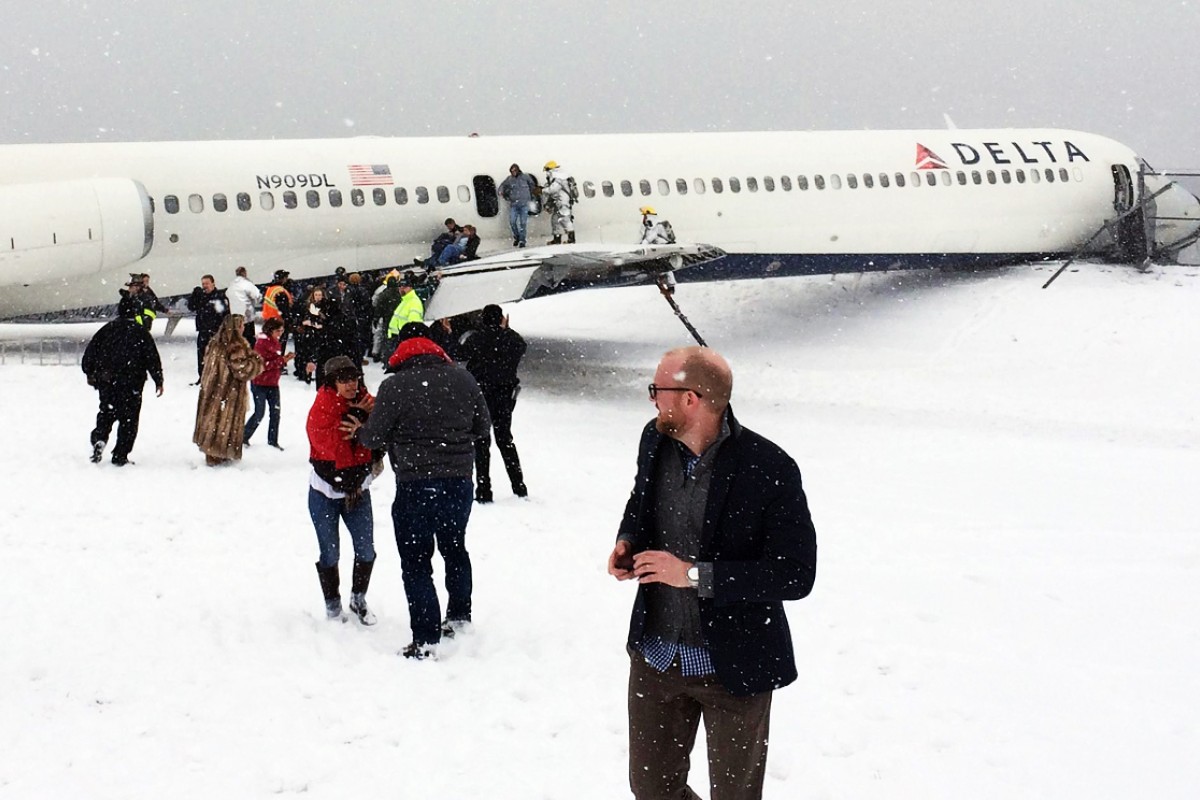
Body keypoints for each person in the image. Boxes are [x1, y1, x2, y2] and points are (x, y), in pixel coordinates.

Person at [606, 346, 818, 800]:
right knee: (651, 789)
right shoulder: (654, 440)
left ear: (691, 399)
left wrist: (696, 576)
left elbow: (796, 574)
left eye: (657, 390)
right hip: (657, 657)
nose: (652, 400)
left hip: (734, 666)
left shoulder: (769, 467)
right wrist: (628, 539)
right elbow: (640, 499)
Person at [359, 322, 492, 660]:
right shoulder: (463, 378)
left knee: (416, 563)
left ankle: (426, 637)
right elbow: (483, 426)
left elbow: (373, 438)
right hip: (459, 482)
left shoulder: (394, 386)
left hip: (415, 485)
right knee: (455, 549)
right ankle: (459, 616)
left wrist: (362, 428)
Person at [306, 355, 381, 625]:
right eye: (344, 380)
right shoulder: (322, 408)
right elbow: (331, 445)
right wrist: (358, 417)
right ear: (332, 382)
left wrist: (363, 424)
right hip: (324, 493)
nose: (351, 385)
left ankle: (358, 598)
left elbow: (377, 437)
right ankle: (333, 605)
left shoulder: (369, 402)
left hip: (358, 492)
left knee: (366, 550)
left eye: (354, 378)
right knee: (330, 552)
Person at [81, 300, 165, 466]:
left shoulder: (107, 330)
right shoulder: (141, 332)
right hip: (132, 383)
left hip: (107, 381)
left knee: (106, 412)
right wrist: (158, 379)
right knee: (129, 420)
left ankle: (99, 437)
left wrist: (90, 372)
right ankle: (120, 454)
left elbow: (90, 353)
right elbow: (151, 358)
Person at [459, 304, 528, 503]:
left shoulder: (476, 339)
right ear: (501, 319)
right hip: (504, 396)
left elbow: (459, 352)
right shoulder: (511, 340)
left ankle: (483, 488)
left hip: (480, 396)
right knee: (505, 440)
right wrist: (506, 329)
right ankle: (519, 485)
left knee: (481, 442)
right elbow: (521, 346)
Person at [193, 314, 265, 466]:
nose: (244, 327)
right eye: (242, 325)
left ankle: (211, 450)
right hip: (228, 393)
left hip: (212, 391)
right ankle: (220, 452)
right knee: (224, 423)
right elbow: (243, 370)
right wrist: (256, 362)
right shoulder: (235, 346)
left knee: (211, 420)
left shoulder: (214, 343)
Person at [243, 318, 295, 450]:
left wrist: (282, 360)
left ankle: (273, 441)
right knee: (259, 413)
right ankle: (244, 436)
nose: (281, 333)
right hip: (259, 383)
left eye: (282, 331)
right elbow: (262, 365)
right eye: (278, 331)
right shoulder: (261, 344)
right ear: (271, 330)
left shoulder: (274, 342)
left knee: (275, 413)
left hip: (273, 383)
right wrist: (281, 361)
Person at [187, 274, 229, 383]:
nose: (205, 286)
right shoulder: (201, 296)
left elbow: (224, 314)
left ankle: (217, 378)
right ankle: (202, 377)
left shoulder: (219, 296)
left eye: (207, 283)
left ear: (213, 284)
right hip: (203, 330)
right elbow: (191, 307)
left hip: (216, 332)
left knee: (216, 355)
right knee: (201, 355)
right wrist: (194, 296)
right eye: (203, 284)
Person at [295, 285, 329, 383]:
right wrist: (306, 323)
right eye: (316, 295)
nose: (318, 297)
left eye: (319, 295)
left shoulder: (326, 307)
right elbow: (301, 319)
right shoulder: (307, 306)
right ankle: (307, 374)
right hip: (309, 333)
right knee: (308, 355)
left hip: (321, 333)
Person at [384, 276, 425, 357]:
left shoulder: (414, 302)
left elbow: (414, 325)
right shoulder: (405, 300)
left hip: (402, 340)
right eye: (400, 286)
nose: (401, 289)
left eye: (405, 287)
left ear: (411, 288)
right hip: (397, 339)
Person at [499, 163, 538, 247]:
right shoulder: (509, 179)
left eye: (514, 171)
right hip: (514, 204)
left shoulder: (525, 177)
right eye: (511, 171)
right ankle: (517, 236)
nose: (513, 173)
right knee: (512, 222)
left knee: (523, 223)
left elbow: (532, 186)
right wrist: (501, 191)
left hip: (524, 204)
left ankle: (522, 240)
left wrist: (530, 195)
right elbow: (503, 185)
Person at [541, 160, 576, 245]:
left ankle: (571, 239)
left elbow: (552, 190)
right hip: (559, 202)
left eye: (547, 171)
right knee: (555, 220)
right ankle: (557, 239)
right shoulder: (558, 178)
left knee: (565, 220)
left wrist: (541, 190)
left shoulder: (559, 178)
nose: (546, 173)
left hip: (563, 203)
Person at [228, 266, 263, 343]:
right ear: (244, 273)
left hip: (235, 317)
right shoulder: (247, 283)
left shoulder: (232, 284)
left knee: (238, 339)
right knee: (249, 339)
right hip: (247, 316)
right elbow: (257, 296)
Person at [262, 269, 294, 351]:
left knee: (270, 344)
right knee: (279, 346)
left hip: (268, 320)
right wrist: (289, 321)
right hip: (278, 321)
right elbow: (284, 308)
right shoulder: (280, 291)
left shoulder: (270, 289)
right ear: (282, 279)